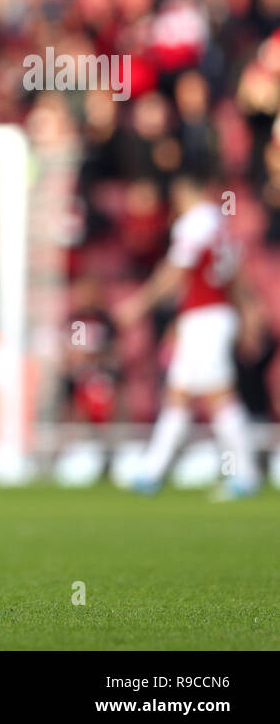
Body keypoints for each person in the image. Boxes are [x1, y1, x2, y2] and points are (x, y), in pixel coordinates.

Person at [114, 172, 262, 499]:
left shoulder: (194, 223)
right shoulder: (222, 223)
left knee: (218, 395)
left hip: (204, 318)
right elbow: (235, 275)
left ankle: (246, 475)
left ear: (184, 191)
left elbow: (175, 271)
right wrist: (246, 313)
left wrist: (139, 304)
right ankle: (152, 472)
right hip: (211, 315)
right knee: (179, 394)